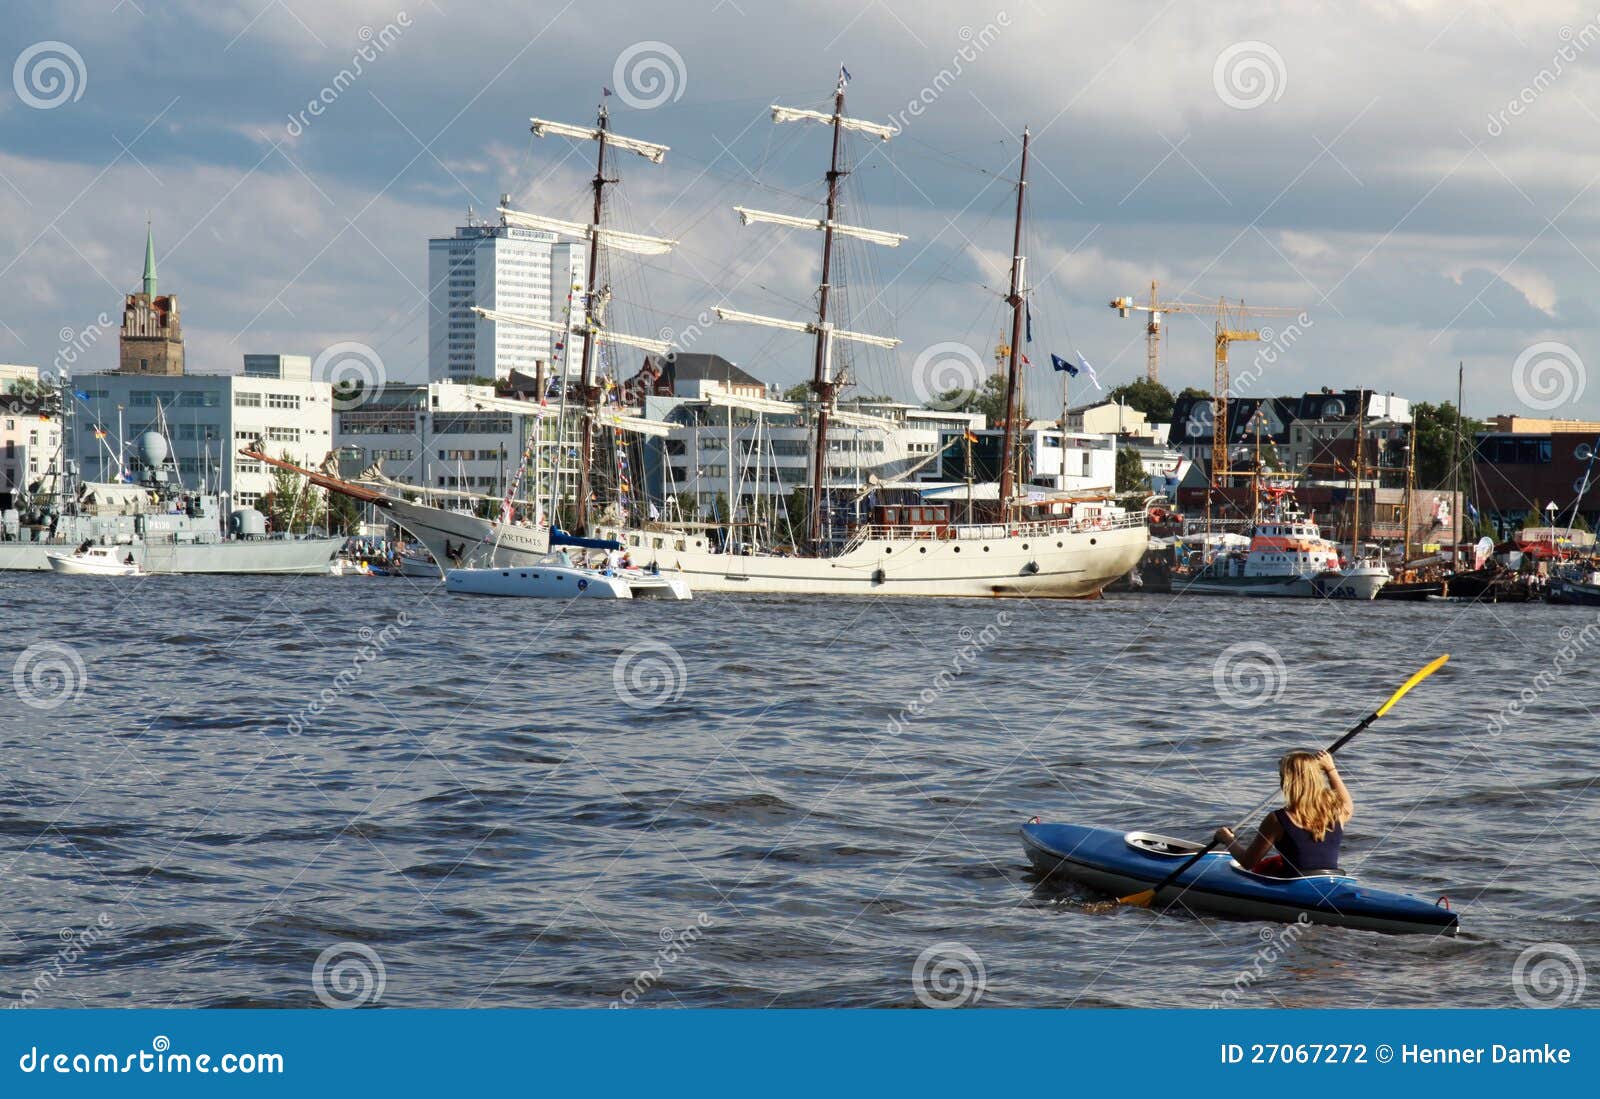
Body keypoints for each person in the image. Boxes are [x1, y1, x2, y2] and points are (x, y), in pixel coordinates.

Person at [1213, 750, 1354, 877]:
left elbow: (1248, 862)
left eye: (1282, 777)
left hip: (1295, 887)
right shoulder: (1337, 813)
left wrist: (1227, 839)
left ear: (1287, 782)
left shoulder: (1277, 819)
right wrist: (1330, 769)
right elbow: (1347, 804)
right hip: (1333, 881)